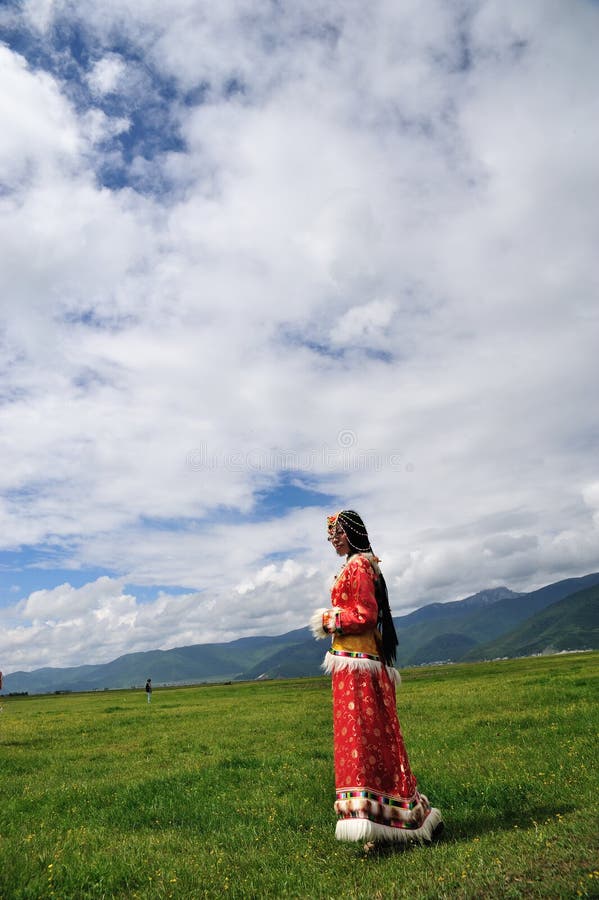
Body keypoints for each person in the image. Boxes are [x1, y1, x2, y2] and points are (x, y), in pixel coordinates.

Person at [310, 510, 443, 846]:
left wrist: (329, 620)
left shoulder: (357, 567)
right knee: (367, 740)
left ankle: (378, 822)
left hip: (359, 666)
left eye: (336, 534)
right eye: (330, 536)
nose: (332, 541)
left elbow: (366, 615)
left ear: (351, 533)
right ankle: (386, 820)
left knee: (360, 740)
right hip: (355, 665)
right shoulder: (359, 565)